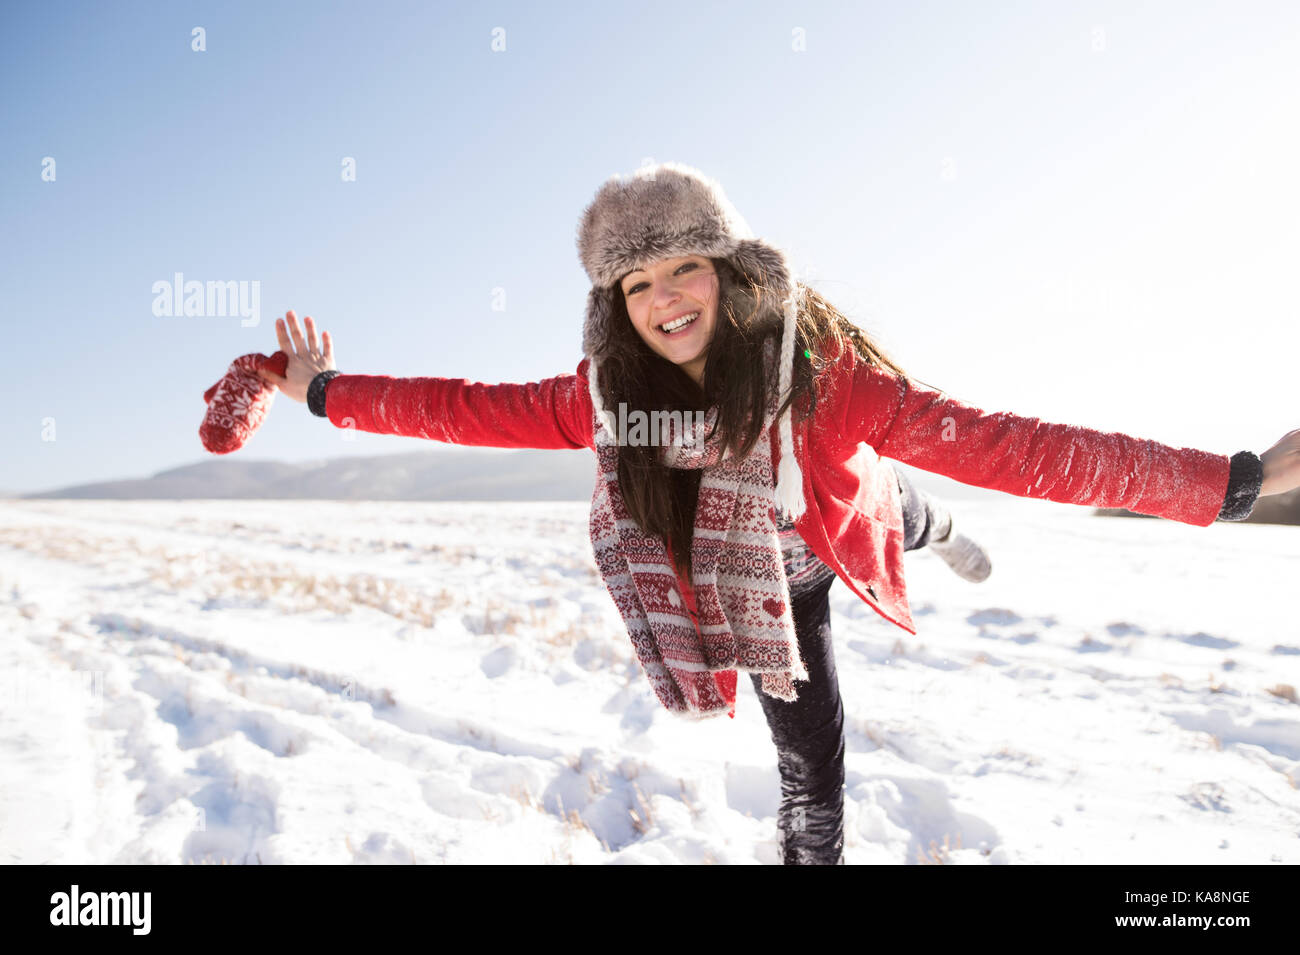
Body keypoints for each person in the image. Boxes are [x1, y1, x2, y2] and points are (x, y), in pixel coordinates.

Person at [257, 162, 1298, 865]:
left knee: (912, 511)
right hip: (773, 580)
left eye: (683, 267)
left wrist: (1232, 482)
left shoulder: (822, 376)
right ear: (613, 306)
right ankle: (815, 842)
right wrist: (321, 390)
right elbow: (462, 410)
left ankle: (941, 534)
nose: (663, 296)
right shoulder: (607, 399)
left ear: (726, 269)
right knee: (808, 740)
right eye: (636, 283)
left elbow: (1012, 446)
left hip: (847, 512)